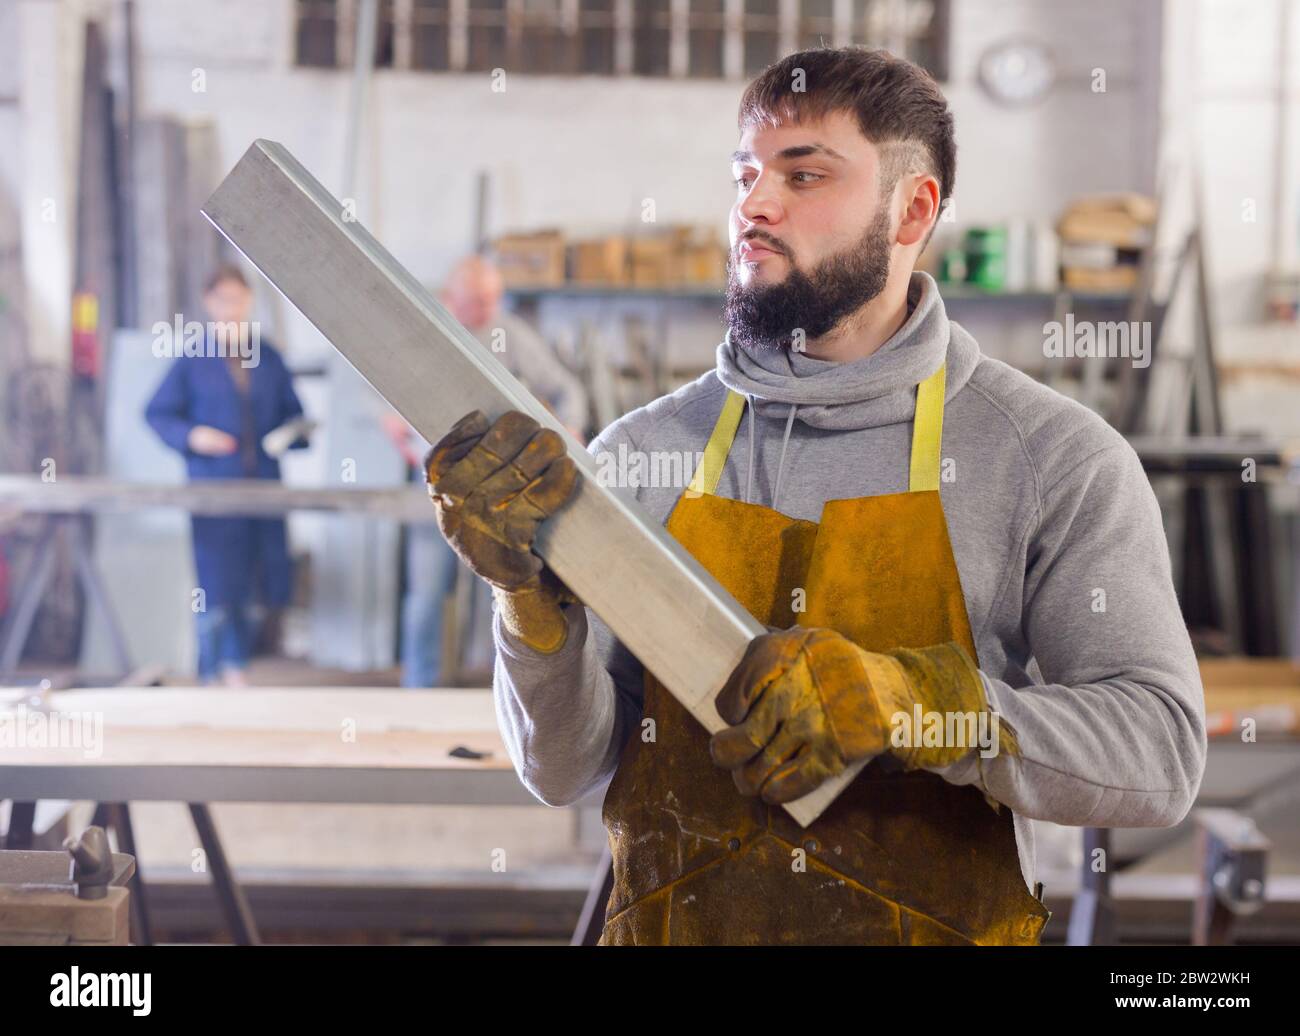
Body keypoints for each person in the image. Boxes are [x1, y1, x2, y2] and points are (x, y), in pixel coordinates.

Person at [423, 48, 1206, 945]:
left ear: (914, 209)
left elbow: (1160, 754)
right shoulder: (641, 454)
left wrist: (921, 704)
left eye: (804, 174)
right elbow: (561, 769)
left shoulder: (1048, 458)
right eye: (746, 174)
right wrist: (529, 605)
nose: (754, 206)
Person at [386, 254, 586, 688]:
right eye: (477, 301)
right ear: (450, 297)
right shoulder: (425, 335)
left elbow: (565, 388)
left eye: (493, 300)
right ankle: (418, 688)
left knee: (507, 592)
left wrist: (569, 429)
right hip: (435, 488)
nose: (487, 310)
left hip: (500, 493)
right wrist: (391, 422)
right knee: (425, 592)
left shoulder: (509, 334)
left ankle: (508, 693)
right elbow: (382, 392)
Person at [145, 264, 308, 686]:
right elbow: (157, 413)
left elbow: (296, 415)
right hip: (213, 489)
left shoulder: (267, 356)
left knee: (259, 580)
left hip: (263, 488)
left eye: (238, 299)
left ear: (248, 302)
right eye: (223, 299)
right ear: (208, 302)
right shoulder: (193, 357)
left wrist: (290, 436)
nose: (231, 308)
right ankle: (210, 669)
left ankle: (237, 665)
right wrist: (193, 435)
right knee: (215, 583)